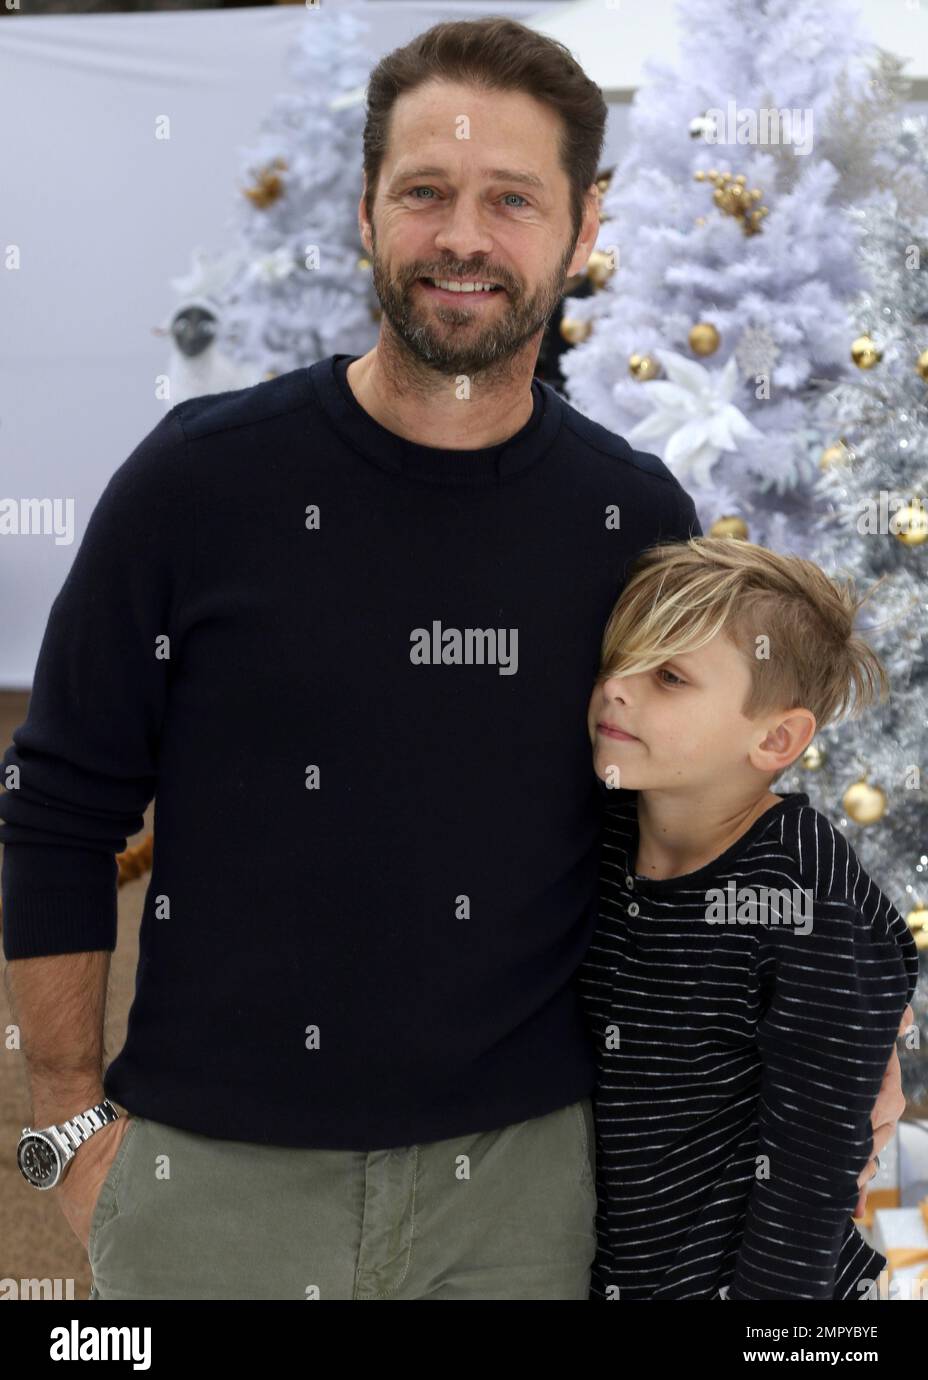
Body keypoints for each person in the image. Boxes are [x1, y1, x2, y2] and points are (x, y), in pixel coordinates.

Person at [0, 19, 903, 1301]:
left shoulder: (629, 515)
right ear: (367, 211)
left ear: (583, 228)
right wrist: (67, 1116)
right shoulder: (197, 483)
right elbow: (57, 806)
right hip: (213, 1183)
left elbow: (706, 799)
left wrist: (850, 1003)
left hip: (527, 1194)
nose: (463, 238)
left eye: (512, 200)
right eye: (424, 191)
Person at [578, 538, 919, 1300]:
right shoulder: (602, 839)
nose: (615, 689)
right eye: (617, 660)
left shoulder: (800, 883)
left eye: (669, 677)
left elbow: (816, 1156)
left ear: (776, 739)